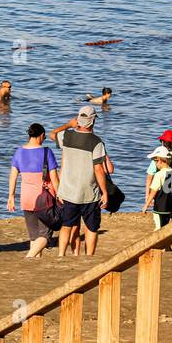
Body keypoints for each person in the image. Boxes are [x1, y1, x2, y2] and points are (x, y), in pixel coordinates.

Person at [50, 106, 111, 257]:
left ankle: (61, 255)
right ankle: (89, 257)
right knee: (91, 227)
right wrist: (104, 192)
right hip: (89, 192)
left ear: (79, 119)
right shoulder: (96, 142)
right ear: (93, 121)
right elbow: (99, 170)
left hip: (69, 191)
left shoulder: (67, 136)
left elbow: (52, 134)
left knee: (67, 225)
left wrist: (68, 125)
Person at [8, 123, 60, 259]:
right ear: (41, 135)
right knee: (45, 236)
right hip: (44, 199)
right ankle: (29, 257)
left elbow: (13, 176)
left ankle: (35, 262)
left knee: (33, 235)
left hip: (26, 197)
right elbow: (54, 178)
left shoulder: (19, 152)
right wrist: (60, 195)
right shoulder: (46, 152)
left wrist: (11, 196)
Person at [142, 148, 172, 229]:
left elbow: (153, 191)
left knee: (158, 227)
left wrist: (146, 205)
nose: (155, 164)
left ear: (160, 161)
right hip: (170, 207)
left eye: (155, 161)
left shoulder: (159, 174)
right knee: (165, 225)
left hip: (159, 207)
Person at [146, 129, 172, 197]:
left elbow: (149, 177)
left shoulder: (157, 158)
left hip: (158, 194)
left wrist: (147, 196)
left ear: (163, 143)